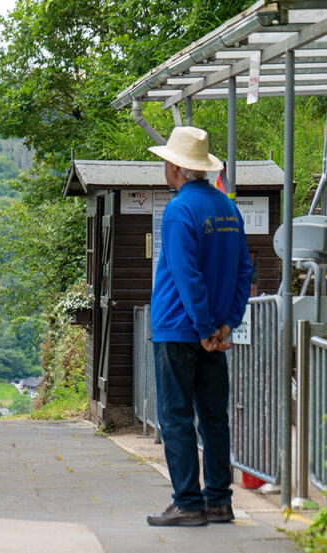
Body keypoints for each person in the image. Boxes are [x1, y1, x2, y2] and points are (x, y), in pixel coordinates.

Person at [146, 126, 253, 527]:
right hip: (215, 334)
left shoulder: (178, 210)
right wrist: (227, 324)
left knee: (176, 416)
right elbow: (245, 270)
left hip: (178, 327)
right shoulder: (228, 208)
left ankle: (188, 503)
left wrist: (205, 325)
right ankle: (220, 502)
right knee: (213, 417)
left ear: (175, 167)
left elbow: (186, 274)